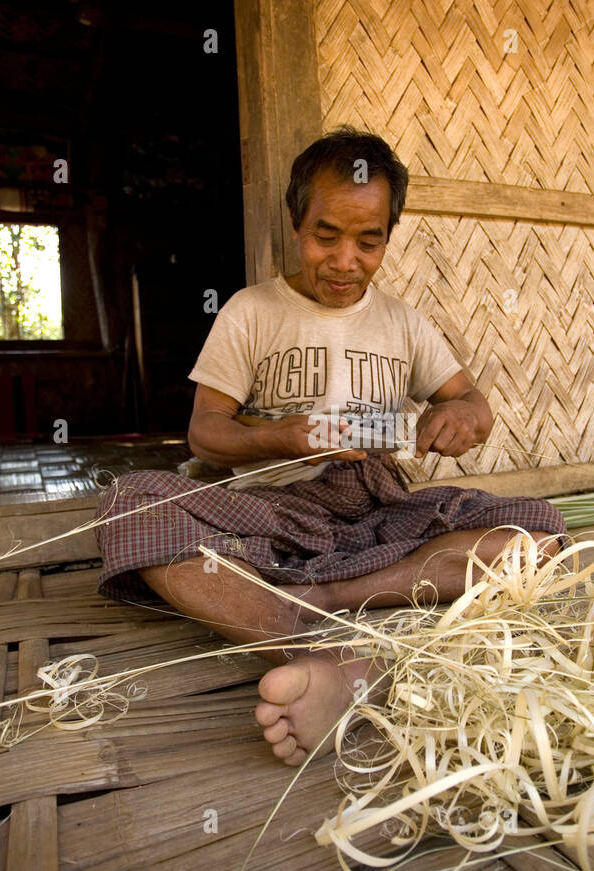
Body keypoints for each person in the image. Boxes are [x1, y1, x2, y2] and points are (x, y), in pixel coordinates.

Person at [95, 126, 569, 765]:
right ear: (297, 223)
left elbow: (473, 404)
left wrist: (459, 416)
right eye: (327, 236)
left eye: (368, 242)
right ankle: (321, 660)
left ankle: (322, 600)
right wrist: (276, 439)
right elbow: (204, 430)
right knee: (131, 505)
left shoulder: (404, 322)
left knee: (537, 535)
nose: (346, 261)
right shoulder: (251, 311)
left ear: (387, 239)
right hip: (271, 510)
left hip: (377, 508)